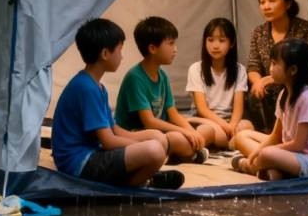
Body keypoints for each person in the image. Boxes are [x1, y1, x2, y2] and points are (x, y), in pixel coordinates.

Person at [51, 18, 183, 189]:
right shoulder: (86, 88)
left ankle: (142, 176)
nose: (122, 56)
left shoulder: (97, 86)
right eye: (120, 50)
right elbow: (108, 141)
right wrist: (142, 146)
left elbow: (114, 129)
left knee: (159, 139)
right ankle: (132, 184)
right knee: (155, 150)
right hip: (79, 163)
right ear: (105, 54)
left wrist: (153, 138)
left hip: (93, 153)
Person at [231, 39, 308, 180]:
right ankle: (274, 171)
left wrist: (263, 151)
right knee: (243, 136)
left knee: (267, 154)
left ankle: (250, 166)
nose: (270, 69)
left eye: (274, 64)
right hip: (293, 154)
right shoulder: (284, 95)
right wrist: (257, 151)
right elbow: (276, 136)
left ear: (292, 70)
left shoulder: (307, 99)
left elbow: (298, 144)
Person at [114, 16, 209, 163]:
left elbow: (172, 113)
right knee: (176, 138)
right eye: (171, 43)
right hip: (137, 134)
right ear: (152, 48)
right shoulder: (135, 77)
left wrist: (190, 131)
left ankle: (183, 153)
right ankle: (185, 153)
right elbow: (149, 122)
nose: (175, 49)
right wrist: (184, 132)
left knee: (205, 131)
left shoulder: (162, 75)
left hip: (159, 132)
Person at [246, 0, 308, 132]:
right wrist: (258, 82)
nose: (266, 6)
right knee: (254, 93)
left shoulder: (306, 29)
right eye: (262, 2)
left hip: (299, 87)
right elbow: (253, 65)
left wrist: (272, 79)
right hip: (269, 88)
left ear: (288, 3)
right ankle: (268, 136)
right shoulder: (258, 32)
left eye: (272, 1)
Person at [184, 17, 253, 149]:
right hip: (206, 121)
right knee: (211, 132)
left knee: (247, 126)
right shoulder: (196, 69)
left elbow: (238, 108)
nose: (215, 45)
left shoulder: (240, 70)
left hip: (230, 121)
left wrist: (232, 126)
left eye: (222, 40)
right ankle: (229, 144)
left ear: (231, 43)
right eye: (210, 40)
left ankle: (227, 144)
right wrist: (225, 126)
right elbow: (202, 109)